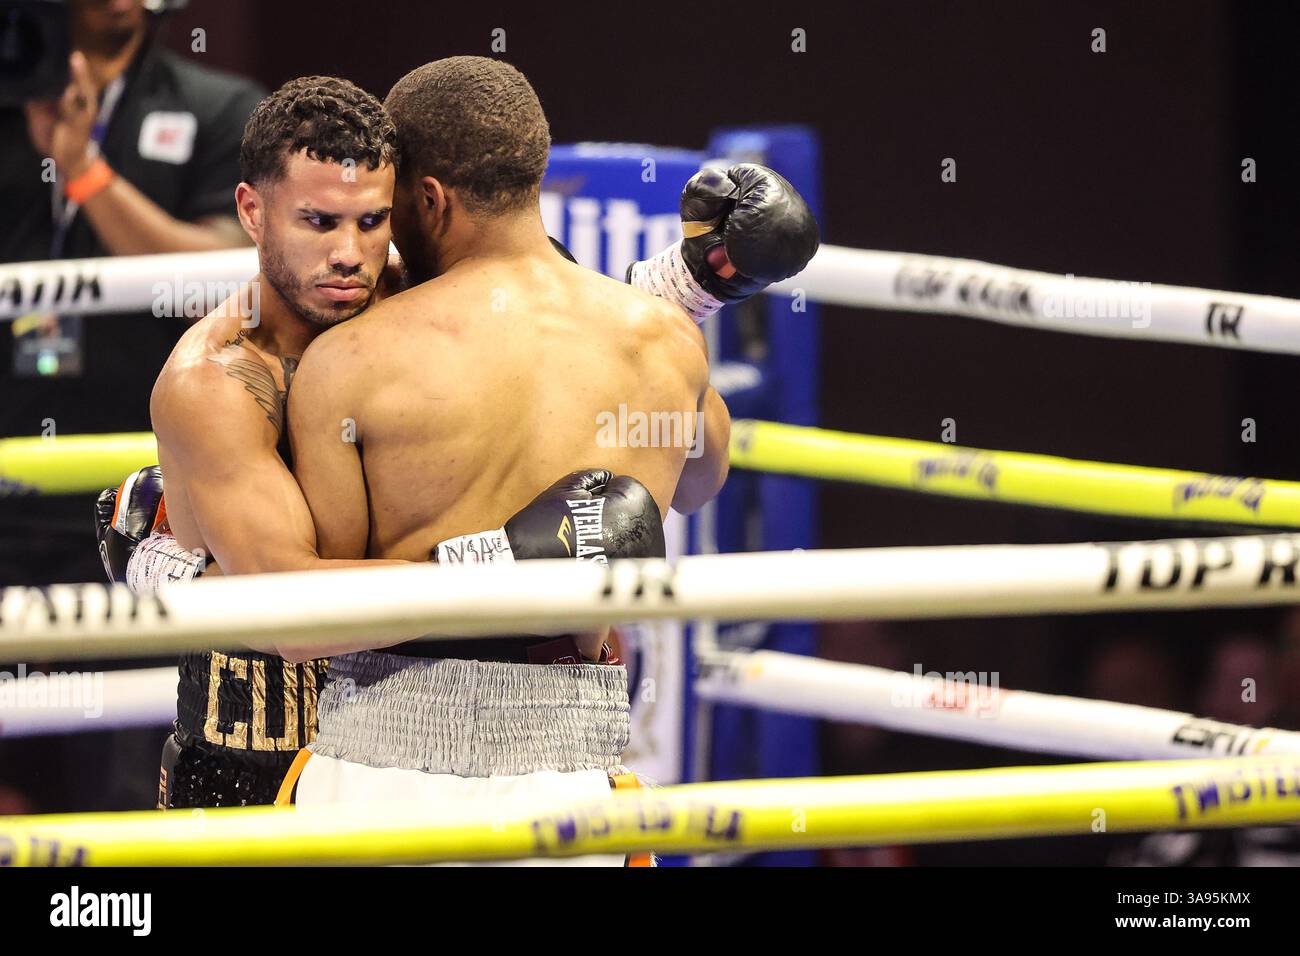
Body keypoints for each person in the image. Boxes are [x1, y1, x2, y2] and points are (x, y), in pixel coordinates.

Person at [96, 70, 816, 819]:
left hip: (499, 749)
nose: (351, 253)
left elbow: (563, 335)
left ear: (418, 202)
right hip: (262, 732)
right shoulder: (218, 379)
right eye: (319, 222)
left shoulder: (384, 322)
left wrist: (682, 290)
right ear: (252, 211)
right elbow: (294, 617)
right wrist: (502, 558)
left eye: (374, 221)